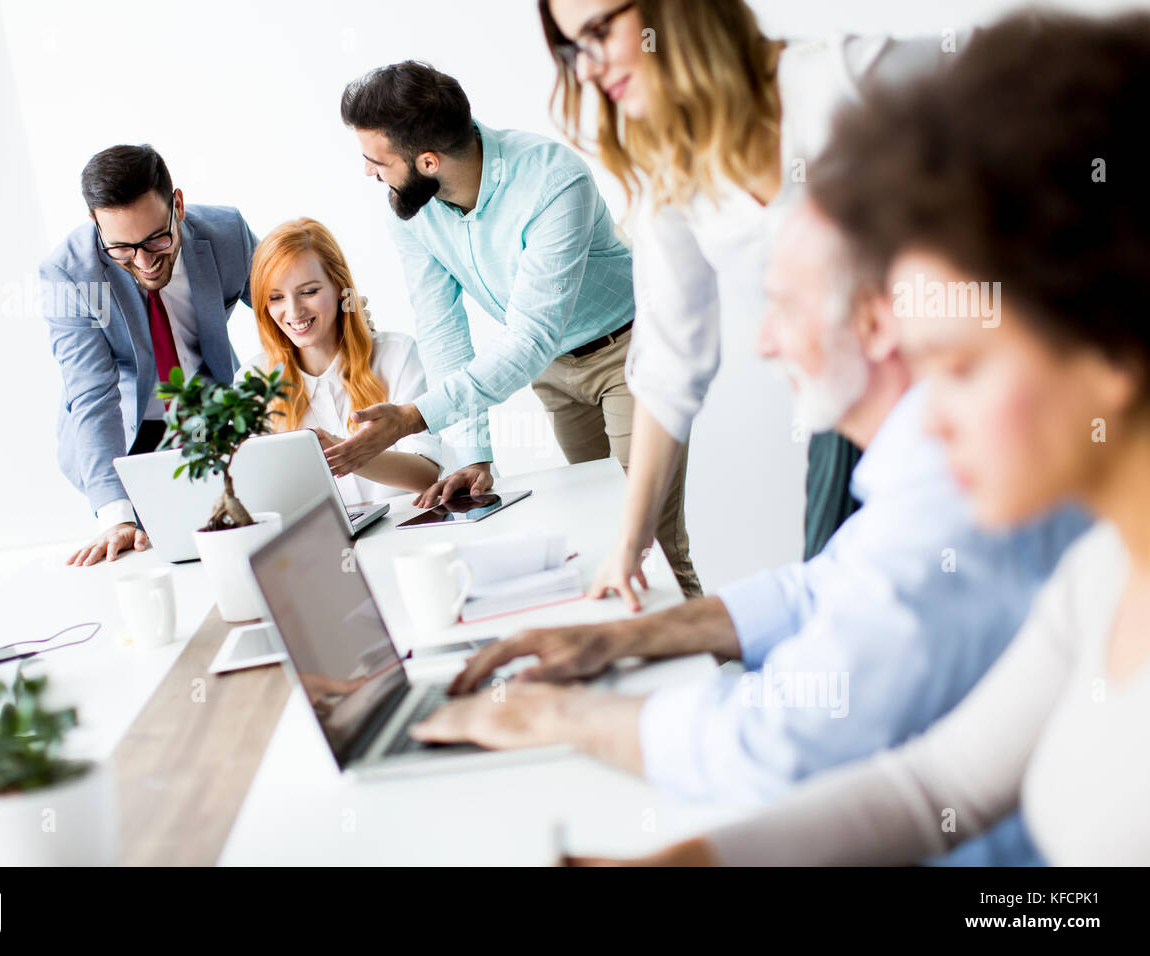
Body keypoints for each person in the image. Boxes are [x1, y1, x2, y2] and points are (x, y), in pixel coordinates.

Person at [571, 9, 1150, 866]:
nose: (925, 418)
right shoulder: (1102, 575)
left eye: (957, 368)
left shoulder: (843, 80)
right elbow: (933, 789)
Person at [412, 197, 1089, 864]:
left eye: (784, 307)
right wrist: (615, 639)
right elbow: (819, 590)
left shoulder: (954, 488)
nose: (762, 340)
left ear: (877, 323)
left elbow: (779, 742)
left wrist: (547, 718)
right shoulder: (918, 465)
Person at [538, 0, 949, 607]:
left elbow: (1053, 90)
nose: (590, 69)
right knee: (840, 618)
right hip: (849, 421)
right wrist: (627, 546)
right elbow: (671, 365)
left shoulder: (846, 80)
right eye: (576, 50)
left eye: (600, 31)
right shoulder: (673, 169)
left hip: (963, 398)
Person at [328, 60, 701, 598]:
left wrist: (413, 417)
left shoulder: (553, 180)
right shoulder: (410, 208)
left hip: (629, 354)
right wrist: (473, 453)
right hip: (554, 371)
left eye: (375, 159)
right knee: (603, 532)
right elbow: (442, 324)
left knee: (649, 547)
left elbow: (529, 335)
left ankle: (715, 674)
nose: (368, 171)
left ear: (428, 160)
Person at [42, 144, 257, 566]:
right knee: (148, 558)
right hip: (124, 437)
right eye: (121, 248)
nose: (143, 262)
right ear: (95, 225)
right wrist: (117, 516)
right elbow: (91, 395)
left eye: (157, 239)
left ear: (177, 205)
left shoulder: (227, 233)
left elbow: (286, 309)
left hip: (209, 415)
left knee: (228, 544)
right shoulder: (69, 273)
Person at [236, 218, 441, 502]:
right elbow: (255, 494)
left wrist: (342, 452)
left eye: (309, 291)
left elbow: (426, 473)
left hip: (407, 534)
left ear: (338, 286)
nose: (293, 312)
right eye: (276, 298)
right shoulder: (255, 380)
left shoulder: (397, 355)